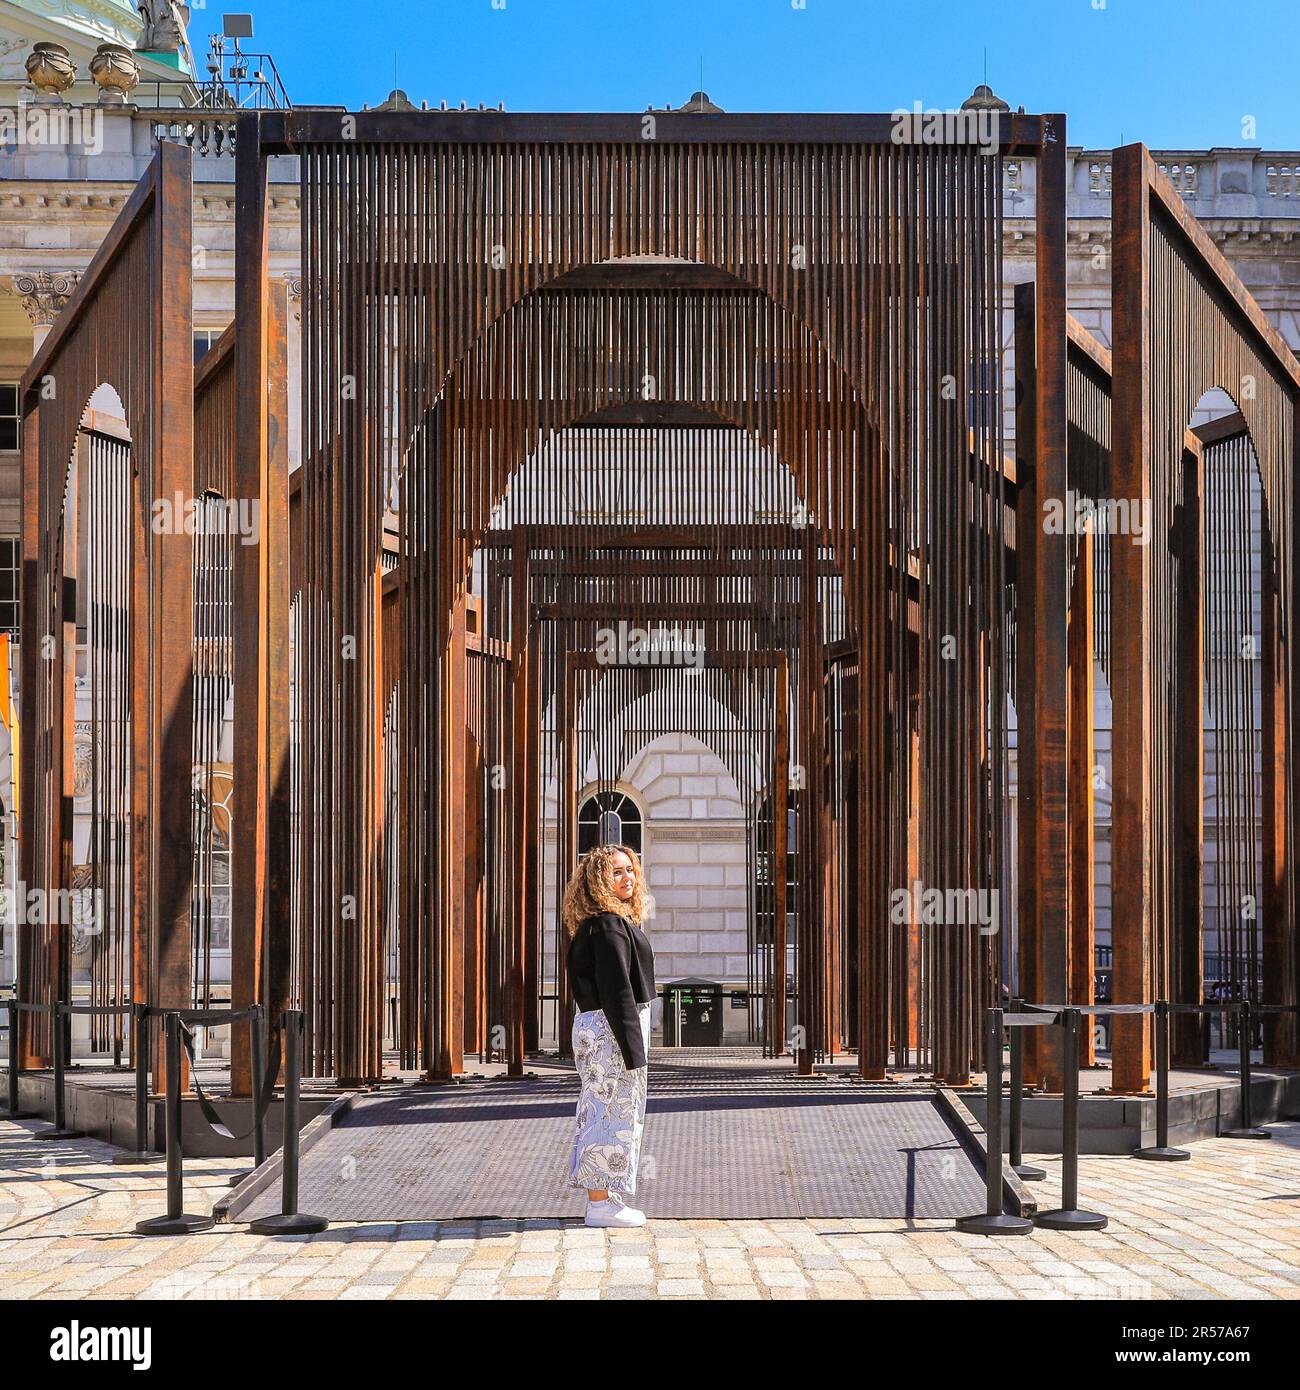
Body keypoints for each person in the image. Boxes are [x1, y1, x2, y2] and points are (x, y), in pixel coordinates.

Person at [562, 842, 657, 1228]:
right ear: (599, 880)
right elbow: (618, 991)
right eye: (616, 871)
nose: (627, 877)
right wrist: (635, 1052)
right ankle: (600, 1203)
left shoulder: (605, 923)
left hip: (602, 1030)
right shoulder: (607, 925)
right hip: (610, 1032)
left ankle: (605, 1195)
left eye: (630, 869)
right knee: (609, 1113)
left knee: (607, 1112)